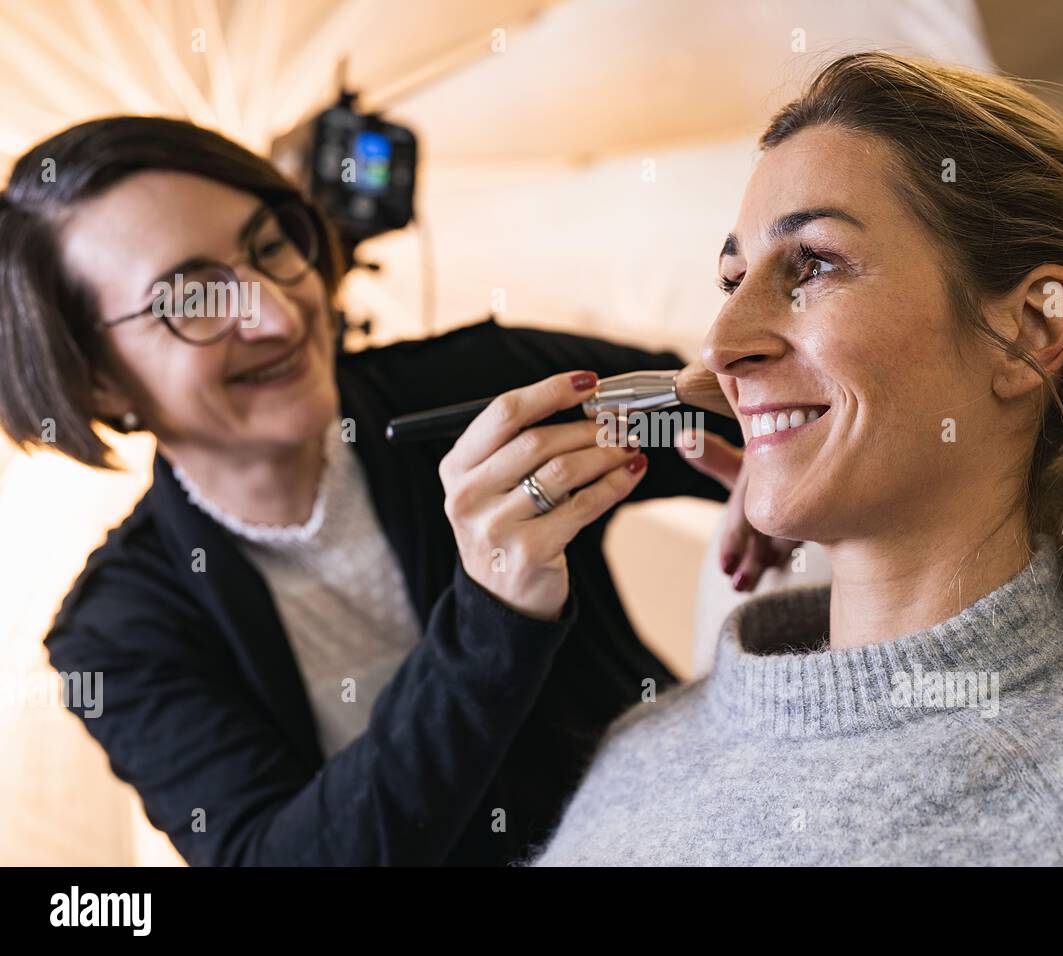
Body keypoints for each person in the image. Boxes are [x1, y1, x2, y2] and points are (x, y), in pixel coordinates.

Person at [532, 51, 1063, 866]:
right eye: (732, 280)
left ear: (1030, 331)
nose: (721, 345)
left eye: (814, 265)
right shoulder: (639, 754)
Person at [0, 116, 761, 865]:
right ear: (94, 377)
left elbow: (731, 406)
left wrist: (772, 481)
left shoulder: (473, 387)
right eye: (194, 300)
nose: (276, 313)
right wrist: (492, 614)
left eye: (271, 247)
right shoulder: (116, 634)